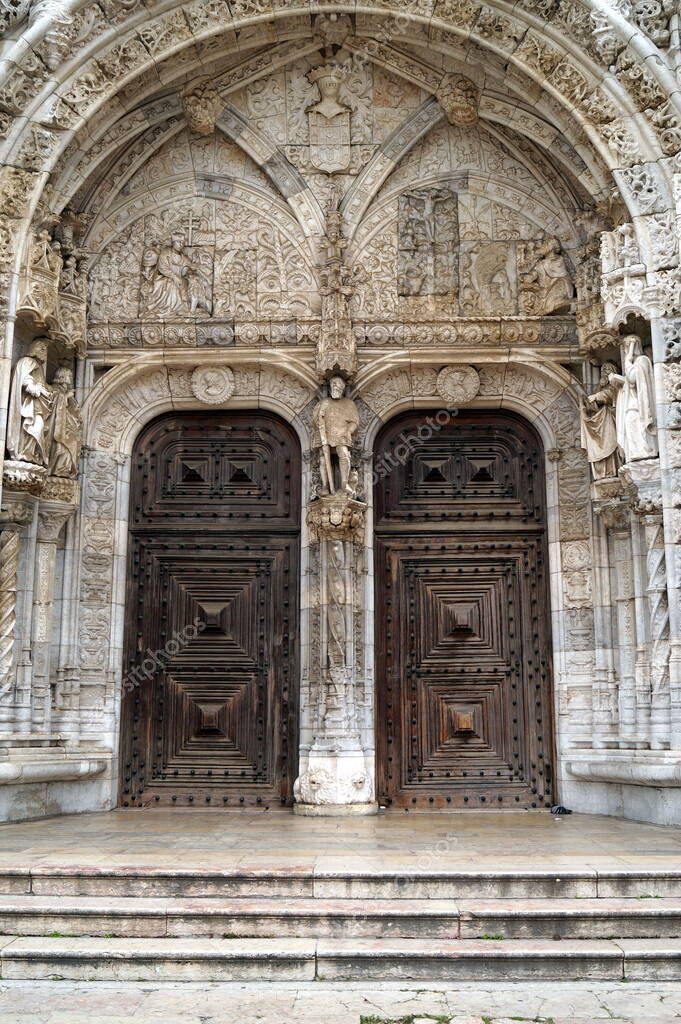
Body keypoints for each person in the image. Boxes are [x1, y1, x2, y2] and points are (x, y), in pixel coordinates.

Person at [610, 335, 658, 462]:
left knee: (634, 423)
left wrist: (627, 359)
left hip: (639, 404)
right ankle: (636, 454)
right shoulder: (636, 363)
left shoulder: (642, 360)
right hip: (631, 403)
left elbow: (632, 378)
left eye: (626, 347)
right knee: (630, 426)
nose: (625, 351)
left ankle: (644, 452)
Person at [6, 338, 53, 466]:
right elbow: (24, 378)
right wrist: (33, 388)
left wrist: (47, 390)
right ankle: (23, 451)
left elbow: (41, 384)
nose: (45, 352)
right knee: (34, 427)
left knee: (38, 427)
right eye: (42, 348)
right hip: (28, 404)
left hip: (37, 405)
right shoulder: (27, 361)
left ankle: (31, 454)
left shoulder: (39, 367)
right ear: (34, 349)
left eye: (46, 349)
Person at [312, 376, 360, 497]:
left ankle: (344, 483)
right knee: (323, 458)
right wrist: (319, 422)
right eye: (333, 384)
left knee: (343, 453)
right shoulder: (324, 402)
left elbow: (355, 421)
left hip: (342, 433)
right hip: (325, 434)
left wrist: (348, 431)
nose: (335, 386)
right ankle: (325, 486)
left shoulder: (349, 403)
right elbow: (315, 418)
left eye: (338, 384)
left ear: (343, 388)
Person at [581, 362, 620, 479]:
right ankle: (602, 472)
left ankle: (612, 470)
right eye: (603, 370)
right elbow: (594, 403)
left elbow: (610, 395)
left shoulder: (614, 384)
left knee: (610, 441)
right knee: (601, 442)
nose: (605, 372)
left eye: (608, 370)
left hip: (610, 419)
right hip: (601, 419)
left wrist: (596, 396)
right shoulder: (599, 387)